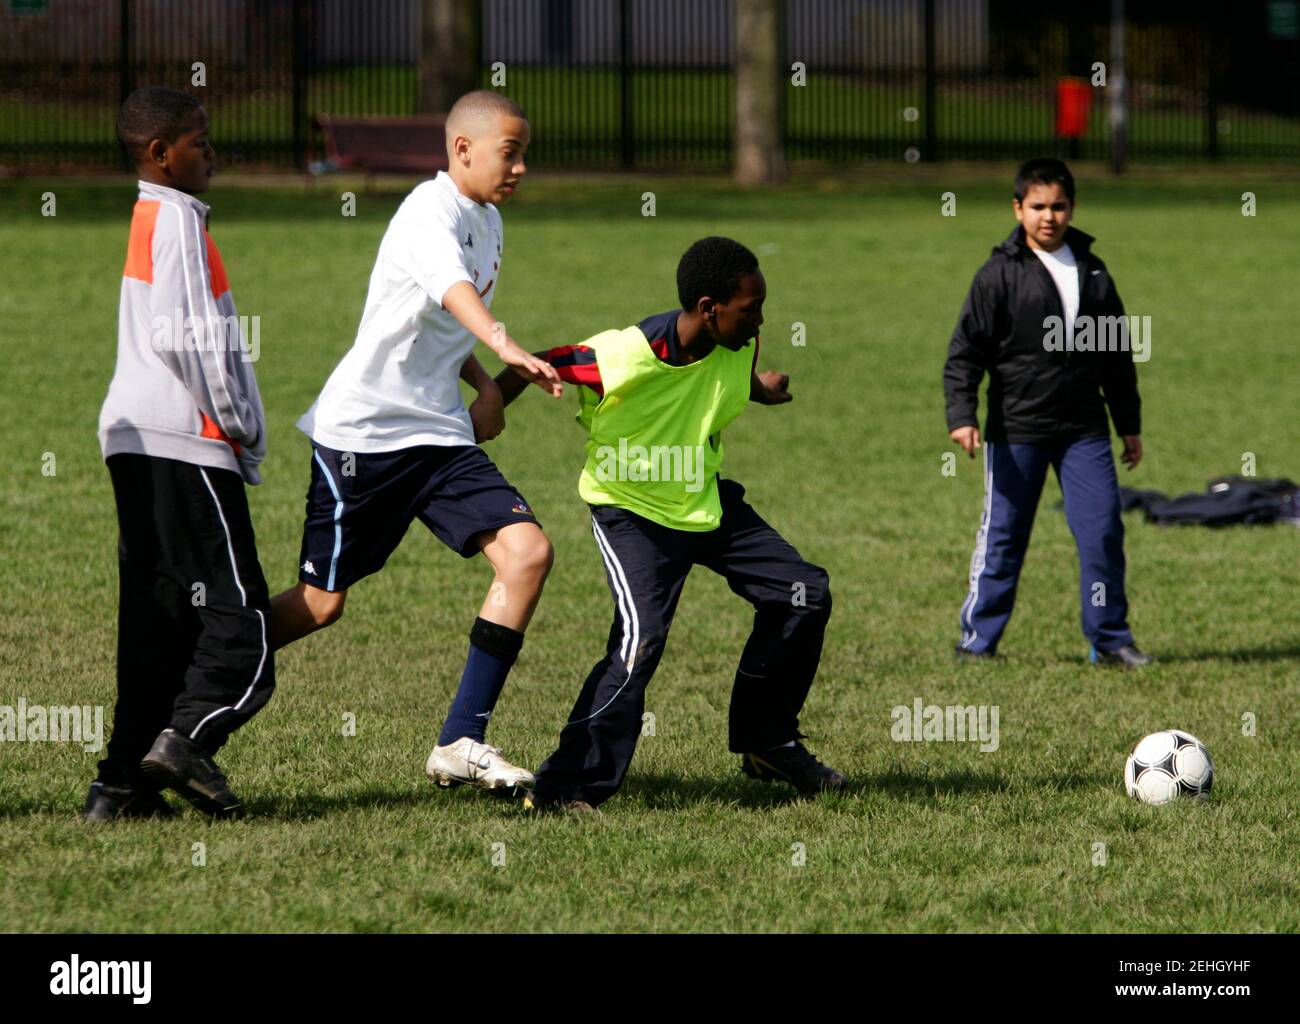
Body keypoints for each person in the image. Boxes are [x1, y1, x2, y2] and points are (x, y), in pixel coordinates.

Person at [267, 91, 562, 793]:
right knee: (320, 604)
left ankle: (463, 739)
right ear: (462, 149)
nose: (520, 167)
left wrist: (483, 384)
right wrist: (505, 346)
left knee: (527, 554)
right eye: (509, 153)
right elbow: (454, 292)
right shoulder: (426, 214)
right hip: (365, 434)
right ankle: (208, 656)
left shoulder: (487, 220)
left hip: (437, 433)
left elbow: (434, 320)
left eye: (524, 154)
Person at [496, 237, 846, 813]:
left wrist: (763, 390)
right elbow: (537, 361)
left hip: (701, 500)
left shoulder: (738, 342)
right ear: (709, 308)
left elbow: (722, 382)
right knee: (640, 643)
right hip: (632, 511)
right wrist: (488, 407)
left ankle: (767, 742)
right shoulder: (622, 356)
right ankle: (564, 786)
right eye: (750, 307)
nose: (760, 319)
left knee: (802, 593)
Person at [88, 86, 273, 821]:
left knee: (160, 626)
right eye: (200, 141)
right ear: (161, 154)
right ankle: (186, 742)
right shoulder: (176, 219)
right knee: (242, 626)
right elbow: (187, 335)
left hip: (135, 441)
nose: (213, 152)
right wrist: (240, 426)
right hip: (185, 445)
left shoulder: (151, 214)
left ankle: (120, 788)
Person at [943, 157, 1152, 668]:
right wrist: (962, 414)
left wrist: (1129, 425)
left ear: (1072, 207)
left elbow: (1116, 354)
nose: (1049, 216)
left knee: (1102, 531)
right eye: (1037, 206)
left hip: (1084, 430)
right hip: (1017, 430)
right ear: (1018, 209)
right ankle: (978, 642)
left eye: (1058, 206)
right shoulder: (997, 274)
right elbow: (965, 351)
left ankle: (1110, 639)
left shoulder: (1095, 271)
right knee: (1004, 537)